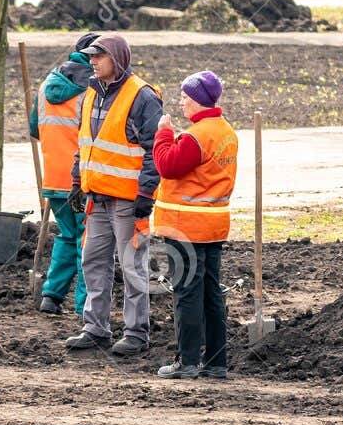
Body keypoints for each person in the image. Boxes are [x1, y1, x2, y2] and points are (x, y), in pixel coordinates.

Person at [64, 33, 162, 356]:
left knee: (133, 265)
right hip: (98, 197)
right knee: (93, 261)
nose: (92, 61)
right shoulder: (91, 95)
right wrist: (78, 181)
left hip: (128, 200)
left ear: (117, 60)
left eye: (99, 56)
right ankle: (96, 327)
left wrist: (146, 194)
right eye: (91, 56)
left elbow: (155, 149)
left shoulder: (142, 97)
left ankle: (136, 332)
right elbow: (84, 144)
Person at [151, 70, 238, 380]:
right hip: (213, 225)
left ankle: (187, 361)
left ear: (199, 101)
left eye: (185, 98)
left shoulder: (196, 135)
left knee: (187, 293)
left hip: (185, 225)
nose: (182, 103)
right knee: (211, 293)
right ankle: (216, 361)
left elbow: (167, 166)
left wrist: (162, 134)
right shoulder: (225, 131)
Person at [28, 32, 99, 315]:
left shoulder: (48, 83)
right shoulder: (94, 88)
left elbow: (35, 127)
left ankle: (51, 296)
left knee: (68, 235)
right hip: (81, 178)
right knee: (87, 241)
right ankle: (85, 306)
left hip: (54, 177)